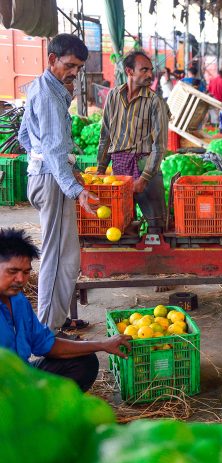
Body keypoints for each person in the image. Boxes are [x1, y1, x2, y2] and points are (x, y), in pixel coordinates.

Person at [17, 34, 98, 335]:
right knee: (60, 256)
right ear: (52, 59)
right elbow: (51, 148)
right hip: (52, 181)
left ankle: (55, 321)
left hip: (45, 175)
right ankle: (47, 332)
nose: (74, 73)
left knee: (66, 255)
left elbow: (26, 137)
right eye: (70, 65)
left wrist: (56, 166)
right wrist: (75, 189)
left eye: (78, 68)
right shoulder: (49, 95)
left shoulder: (41, 87)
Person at [0, 229, 131, 392]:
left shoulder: (19, 301)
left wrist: (102, 344)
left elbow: (46, 344)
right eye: (12, 272)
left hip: (23, 380)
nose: (20, 279)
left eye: (26, 272)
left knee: (84, 361)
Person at [97, 51, 170, 234]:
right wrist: (100, 169)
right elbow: (106, 135)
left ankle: (156, 259)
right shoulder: (113, 96)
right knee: (122, 222)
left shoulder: (155, 102)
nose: (149, 74)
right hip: (119, 167)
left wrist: (144, 178)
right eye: (144, 69)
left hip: (145, 166)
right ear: (129, 71)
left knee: (155, 224)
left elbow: (159, 145)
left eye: (150, 70)